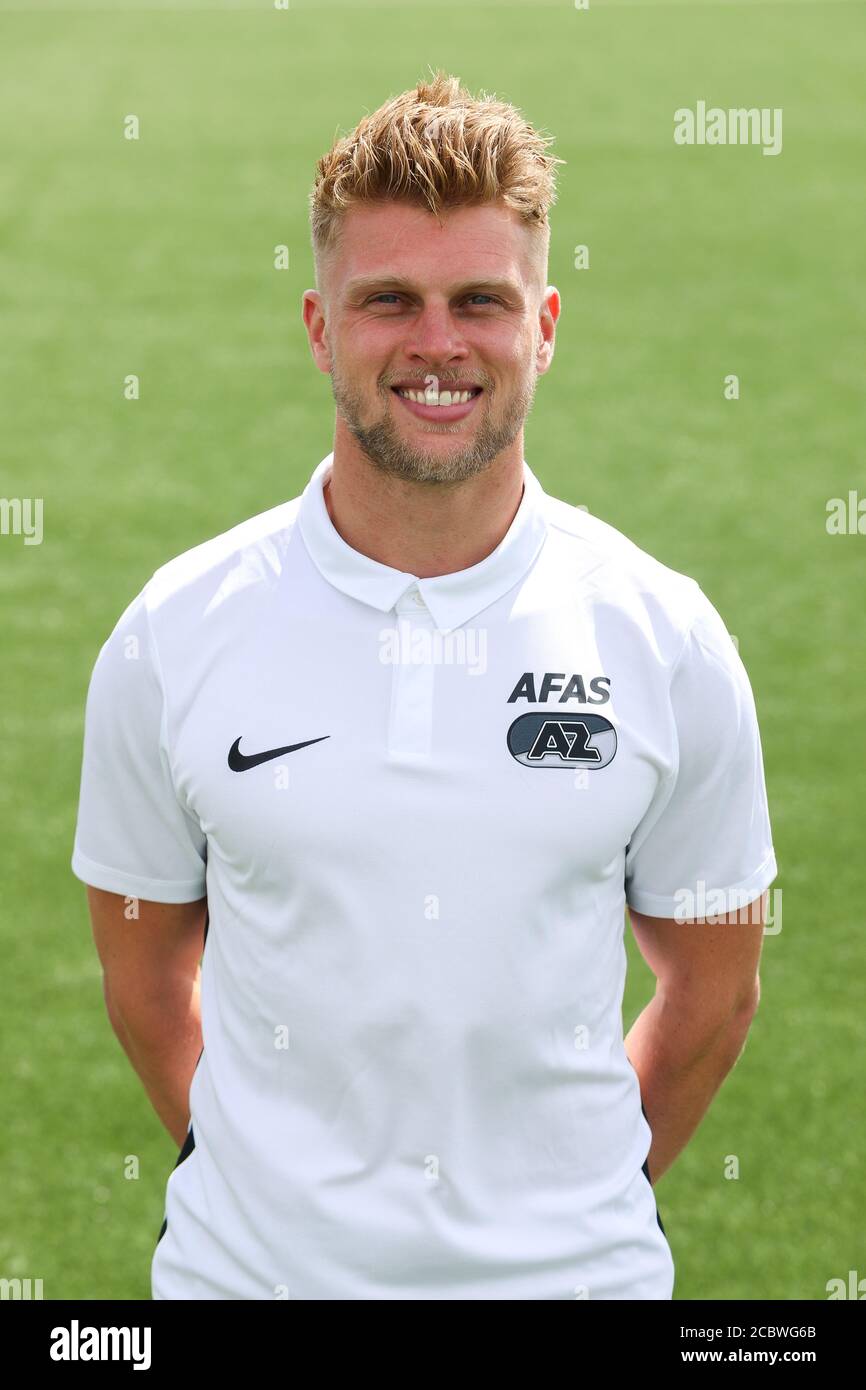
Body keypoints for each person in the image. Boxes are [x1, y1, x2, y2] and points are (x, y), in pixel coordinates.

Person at [71, 71, 777, 1300]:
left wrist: (570, 1215)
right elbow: (141, 979)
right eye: (387, 299)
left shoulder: (662, 636)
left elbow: (712, 994)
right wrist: (263, 1198)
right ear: (317, 326)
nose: (437, 344)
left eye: (480, 303)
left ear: (544, 326)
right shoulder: (172, 632)